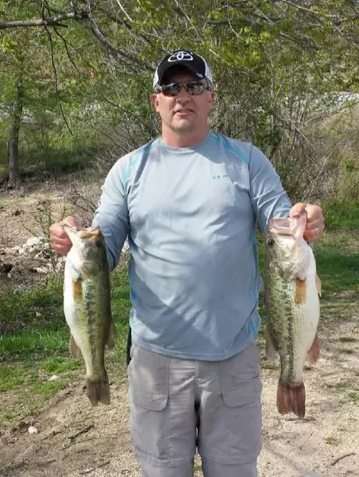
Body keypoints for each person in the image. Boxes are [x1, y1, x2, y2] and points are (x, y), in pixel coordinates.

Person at [50, 49, 325, 477]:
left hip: (232, 357)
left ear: (211, 97)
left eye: (194, 86)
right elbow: (102, 247)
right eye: (171, 87)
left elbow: (284, 224)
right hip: (156, 361)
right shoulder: (128, 170)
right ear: (155, 100)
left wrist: (306, 219)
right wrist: (74, 241)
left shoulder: (247, 161)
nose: (183, 96)